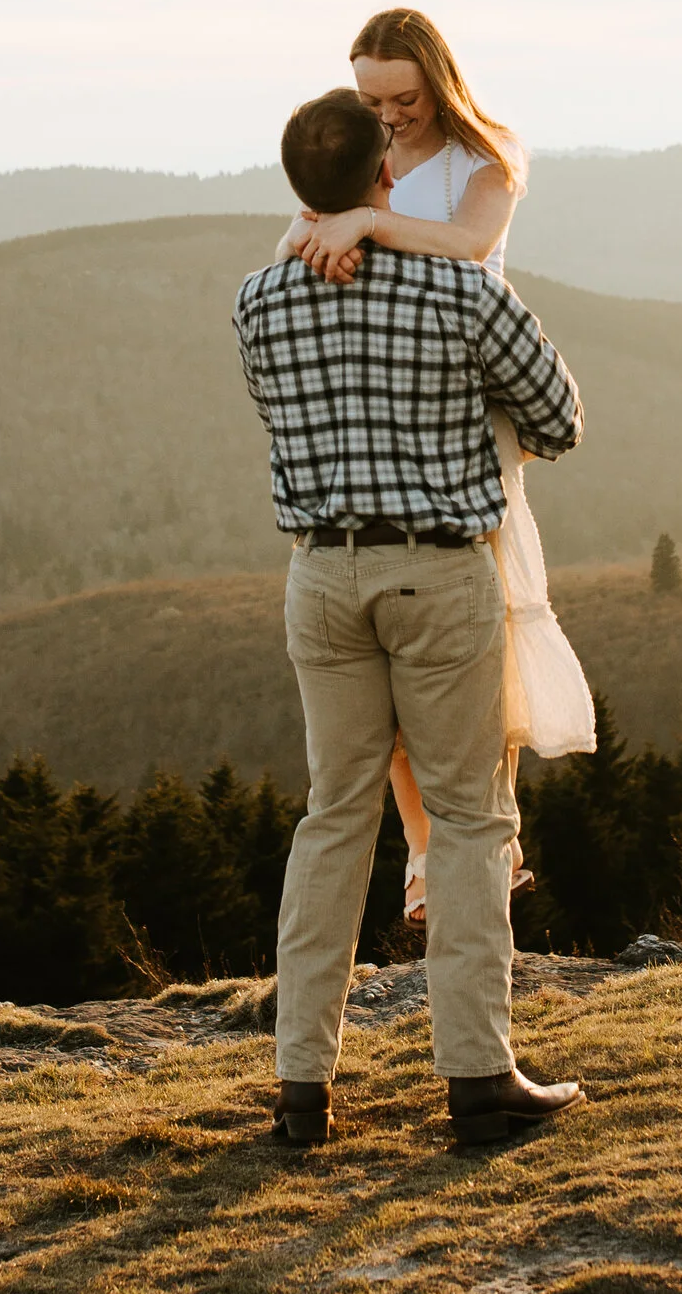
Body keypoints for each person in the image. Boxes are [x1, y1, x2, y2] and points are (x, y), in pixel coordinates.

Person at [235, 85, 588, 1152]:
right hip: (438, 575)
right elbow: (560, 419)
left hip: (319, 579)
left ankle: (303, 1087)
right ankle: (479, 1078)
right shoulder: (460, 289)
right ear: (385, 176)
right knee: (472, 820)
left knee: (332, 818)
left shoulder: (255, 300)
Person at [280, 8, 598, 924]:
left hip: (465, 412)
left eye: (403, 97)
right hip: (383, 419)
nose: (386, 117)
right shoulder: (356, 165)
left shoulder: (484, 163)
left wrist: (366, 225)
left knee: (481, 630)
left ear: (439, 83)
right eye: (369, 99)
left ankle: (489, 839)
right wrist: (326, 241)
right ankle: (425, 850)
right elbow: (298, 243)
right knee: (382, 667)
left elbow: (465, 247)